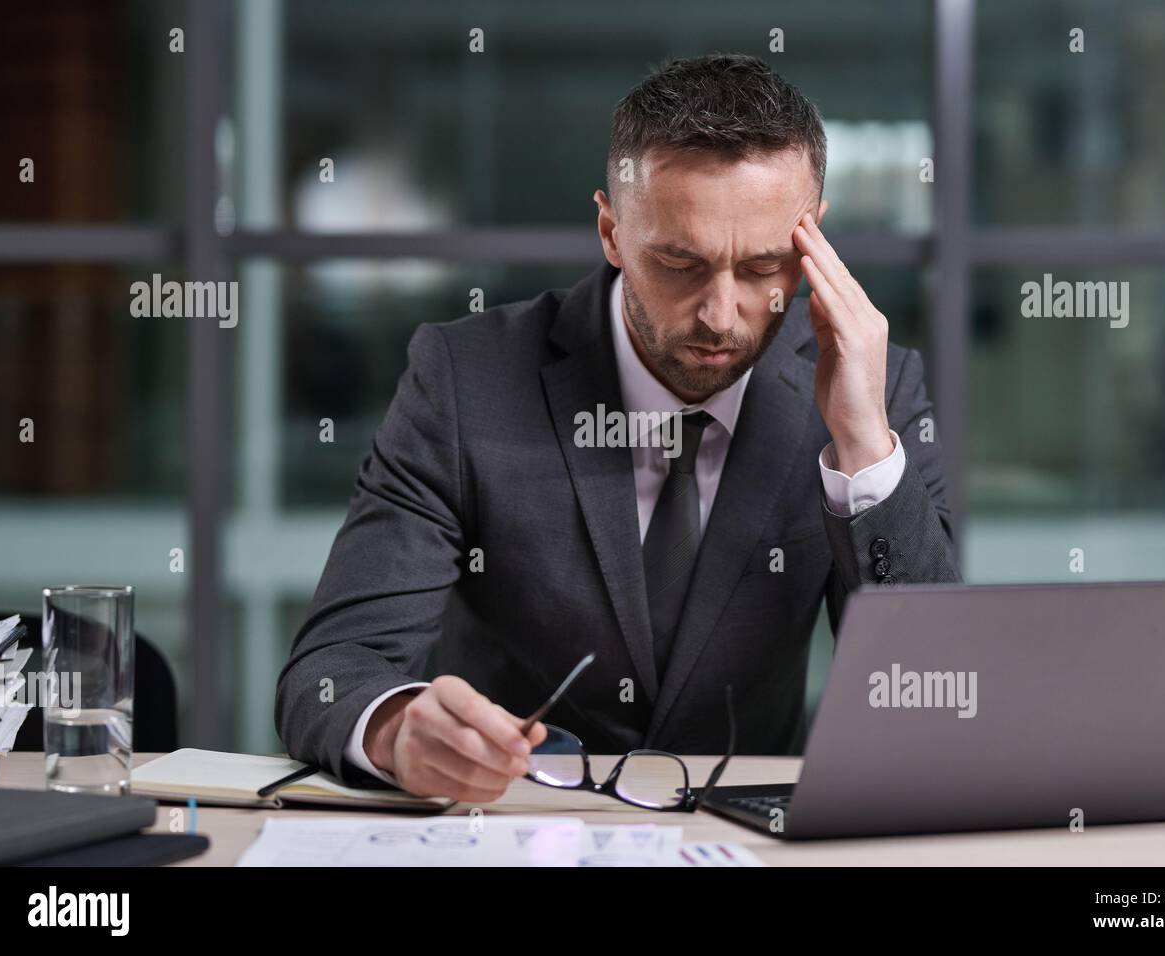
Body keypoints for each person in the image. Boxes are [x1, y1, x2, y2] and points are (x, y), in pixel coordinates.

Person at [275, 53, 959, 802]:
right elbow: (333, 668)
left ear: (812, 241)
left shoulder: (876, 385)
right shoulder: (465, 380)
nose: (720, 316)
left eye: (764, 268)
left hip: (744, 841)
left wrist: (861, 448)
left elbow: (931, 692)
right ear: (610, 230)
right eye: (679, 262)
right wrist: (400, 729)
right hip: (515, 826)